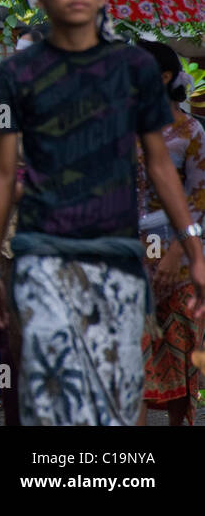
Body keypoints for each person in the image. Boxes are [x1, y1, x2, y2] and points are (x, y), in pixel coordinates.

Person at [0, 0, 205, 425]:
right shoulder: (16, 76)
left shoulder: (135, 72)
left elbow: (162, 167)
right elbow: (1, 174)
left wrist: (192, 246)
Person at [135, 40, 205, 426]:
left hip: (179, 260)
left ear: (162, 77)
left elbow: (200, 198)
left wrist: (178, 252)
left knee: (179, 358)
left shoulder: (190, 131)